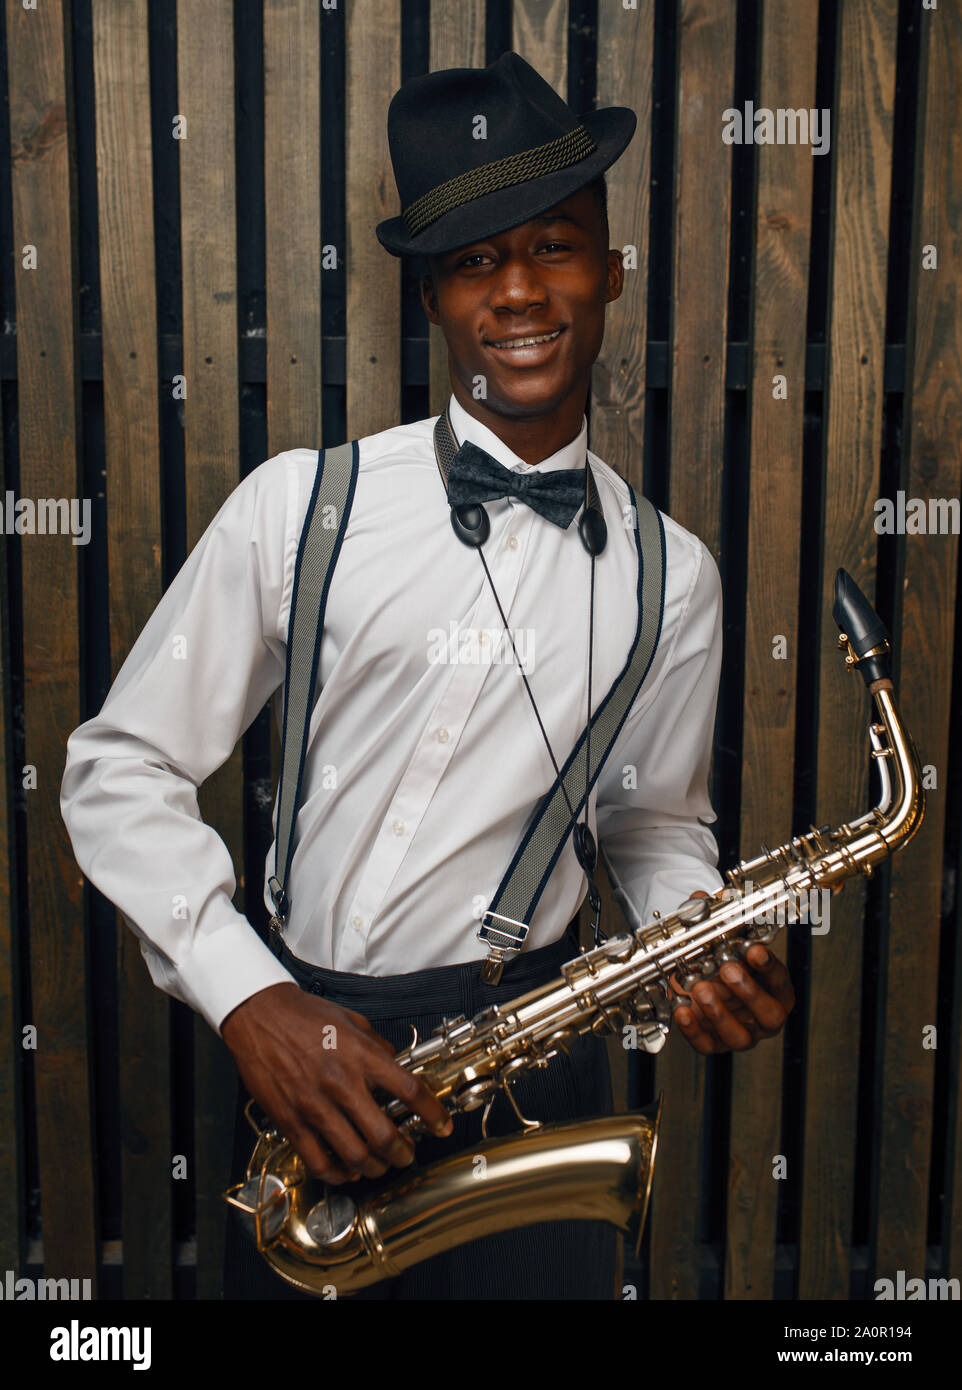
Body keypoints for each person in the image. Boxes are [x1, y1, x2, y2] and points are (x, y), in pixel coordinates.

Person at [60, 50, 793, 1301]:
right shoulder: (302, 504)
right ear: (431, 301)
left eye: (554, 246)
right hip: (308, 1057)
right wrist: (252, 1002)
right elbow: (118, 768)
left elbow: (651, 824)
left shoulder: (677, 576)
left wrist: (692, 940)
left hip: (535, 1074)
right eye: (473, 261)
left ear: (610, 270)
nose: (518, 292)